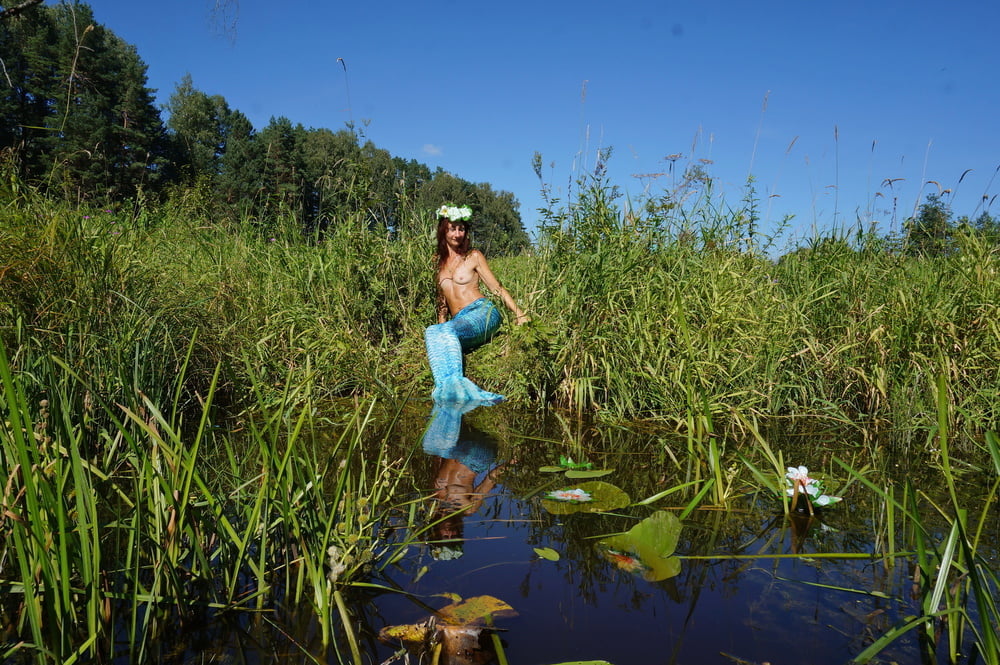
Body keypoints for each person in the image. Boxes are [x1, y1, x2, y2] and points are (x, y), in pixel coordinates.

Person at [424, 204, 527, 404]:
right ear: (443, 230)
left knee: (446, 331)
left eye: (461, 229)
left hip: (482, 311)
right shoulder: (437, 263)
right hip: (459, 321)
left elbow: (496, 288)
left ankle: (456, 391)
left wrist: (519, 313)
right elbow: (442, 303)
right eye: (452, 229)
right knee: (432, 331)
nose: (457, 234)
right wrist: (441, 327)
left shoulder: (473, 256)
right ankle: (448, 390)